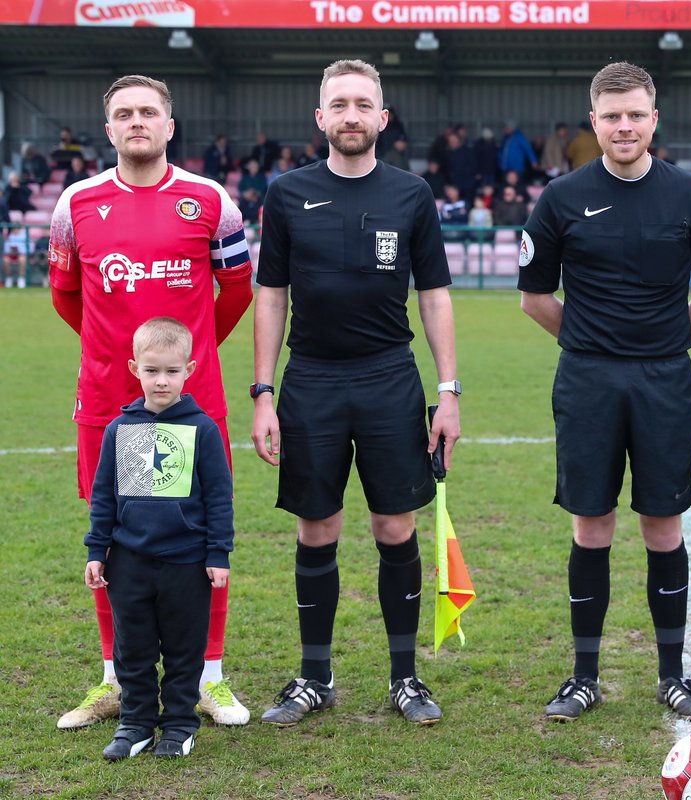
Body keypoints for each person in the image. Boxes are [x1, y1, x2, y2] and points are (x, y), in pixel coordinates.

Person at [519, 61, 691, 724]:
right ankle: (585, 676)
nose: (624, 126)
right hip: (586, 379)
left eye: (635, 115)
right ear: (595, 122)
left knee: (663, 526)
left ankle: (673, 676)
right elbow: (534, 299)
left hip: (665, 379)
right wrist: (591, 341)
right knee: (592, 525)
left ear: (653, 120)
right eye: (612, 116)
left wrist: (669, 338)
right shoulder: (559, 199)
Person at [253, 59, 460, 728]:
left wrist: (448, 390)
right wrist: (263, 391)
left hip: (388, 376)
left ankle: (404, 677)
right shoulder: (286, 193)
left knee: (394, 525)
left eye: (361, 104)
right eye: (338, 104)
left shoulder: (411, 194)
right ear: (320, 118)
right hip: (310, 378)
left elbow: (434, 294)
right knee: (318, 527)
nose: (349, 115)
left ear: (381, 117)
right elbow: (271, 295)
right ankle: (316, 676)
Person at [49, 74, 254, 730]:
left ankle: (208, 680)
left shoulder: (210, 201)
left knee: (199, 531)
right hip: (111, 403)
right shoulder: (76, 204)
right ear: (108, 130)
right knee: (114, 536)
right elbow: (65, 295)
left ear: (169, 126)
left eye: (148, 112)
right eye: (123, 114)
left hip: (192, 404)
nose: (136, 122)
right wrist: (127, 366)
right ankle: (115, 680)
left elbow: (237, 292)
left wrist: (184, 366)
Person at [84, 317, 235, 760]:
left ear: (189, 369)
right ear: (135, 369)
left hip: (186, 562)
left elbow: (219, 498)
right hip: (129, 561)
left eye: (172, 371)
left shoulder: (202, 430)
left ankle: (179, 726)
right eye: (152, 371)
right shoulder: (120, 430)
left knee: (183, 649)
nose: (162, 380)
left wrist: (217, 553)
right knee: (133, 649)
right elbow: (104, 496)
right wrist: (98, 550)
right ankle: (136, 724)